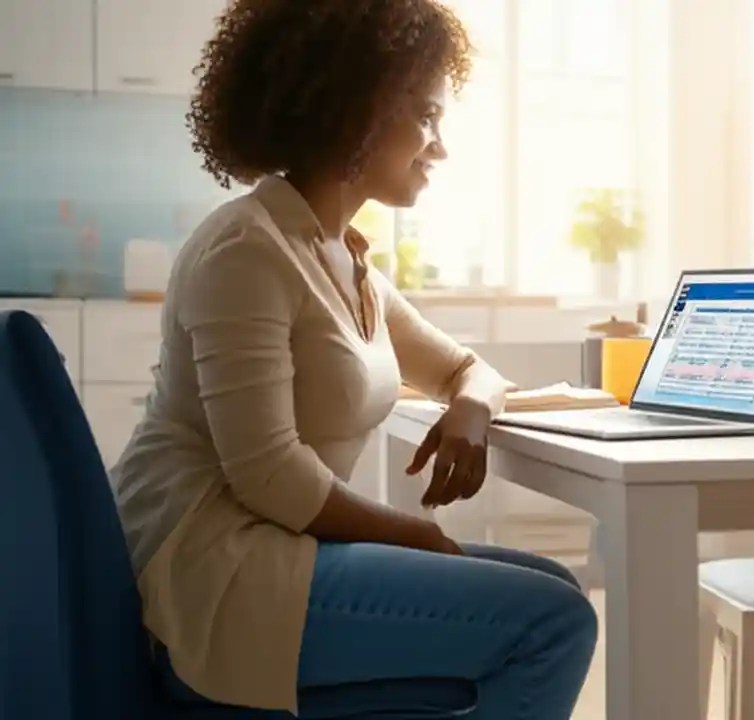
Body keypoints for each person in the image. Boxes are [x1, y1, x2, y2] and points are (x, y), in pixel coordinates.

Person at [110, 1, 597, 717]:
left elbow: (472, 369)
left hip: (287, 552)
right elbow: (269, 478)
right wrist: (414, 534)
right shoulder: (247, 250)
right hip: (217, 573)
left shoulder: (342, 258)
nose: (440, 147)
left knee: (558, 588)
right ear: (355, 109)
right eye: (427, 115)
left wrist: (467, 410)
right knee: (554, 624)